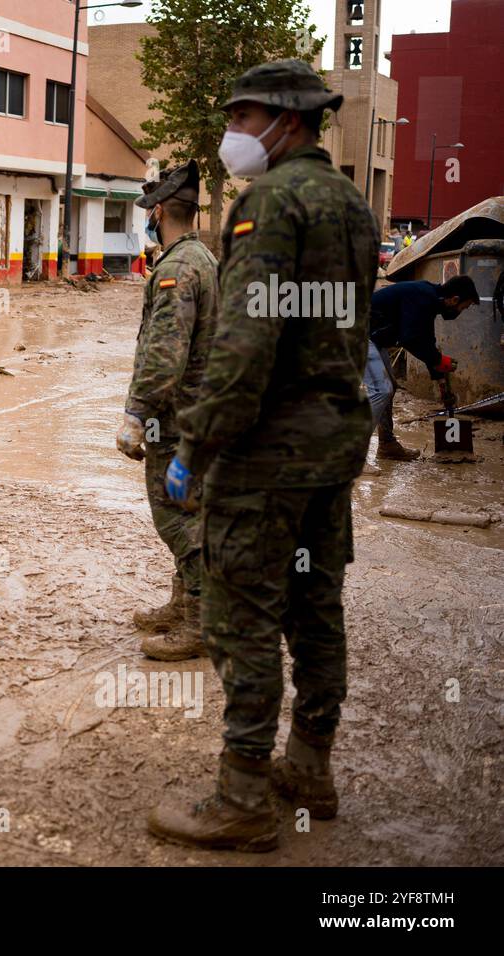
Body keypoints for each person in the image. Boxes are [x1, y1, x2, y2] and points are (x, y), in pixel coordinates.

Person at [148, 60, 379, 852]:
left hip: (267, 453)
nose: (232, 134)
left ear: (287, 121)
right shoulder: (352, 204)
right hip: (335, 442)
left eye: (242, 118)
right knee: (317, 607)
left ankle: (242, 795)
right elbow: (349, 331)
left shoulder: (268, 204)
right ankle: (310, 766)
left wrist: (194, 444)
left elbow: (245, 348)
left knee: (241, 614)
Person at [115, 160, 218, 661]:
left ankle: (202, 623)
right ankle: (183, 606)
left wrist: (136, 414)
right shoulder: (202, 257)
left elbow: (164, 354)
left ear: (158, 213)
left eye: (148, 213)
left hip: (177, 417)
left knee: (174, 517)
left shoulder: (176, 269)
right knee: (189, 508)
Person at [364, 275, 479, 460]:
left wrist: (440, 377)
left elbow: (427, 341)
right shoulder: (423, 297)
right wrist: (438, 359)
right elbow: (410, 338)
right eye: (462, 308)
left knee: (389, 388)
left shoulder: (429, 298)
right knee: (381, 391)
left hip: (372, 338)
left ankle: (387, 444)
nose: (460, 312)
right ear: (454, 299)